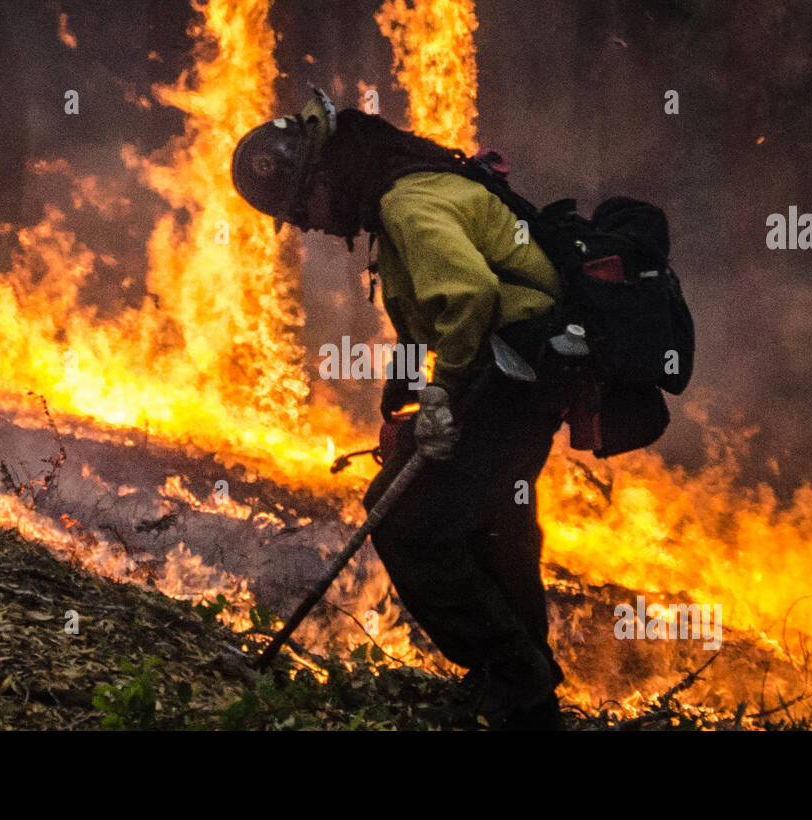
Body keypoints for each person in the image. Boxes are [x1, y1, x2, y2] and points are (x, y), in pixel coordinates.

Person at [231, 89, 569, 729]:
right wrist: (402, 404)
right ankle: (526, 696)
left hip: (512, 374)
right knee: (497, 524)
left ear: (331, 174)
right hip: (521, 373)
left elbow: (468, 297)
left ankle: (515, 678)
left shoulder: (408, 204)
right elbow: (424, 326)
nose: (305, 220)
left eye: (304, 200)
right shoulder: (401, 205)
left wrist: (444, 395)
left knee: (403, 520)